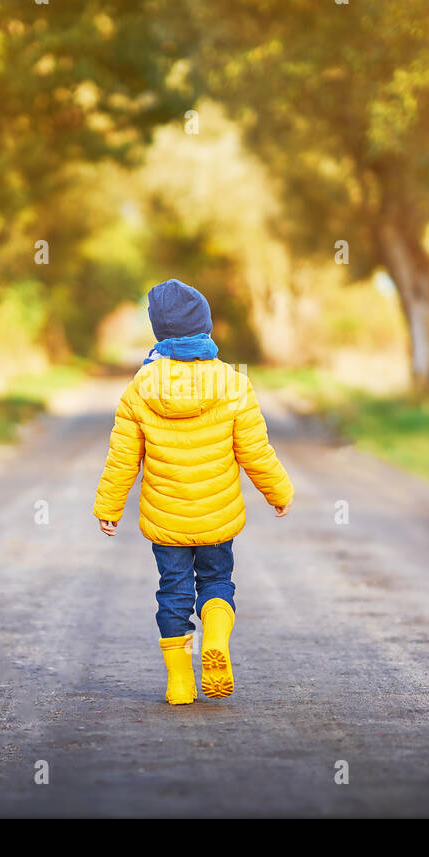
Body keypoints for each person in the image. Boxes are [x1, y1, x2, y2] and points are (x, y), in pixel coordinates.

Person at [94, 279, 293, 704]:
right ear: (206, 325)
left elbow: (122, 458)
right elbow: (255, 451)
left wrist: (109, 506)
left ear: (158, 332)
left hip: (166, 521)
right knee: (218, 580)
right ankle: (216, 638)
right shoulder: (234, 384)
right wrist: (278, 491)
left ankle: (180, 682)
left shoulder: (139, 389)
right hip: (217, 517)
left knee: (173, 592)